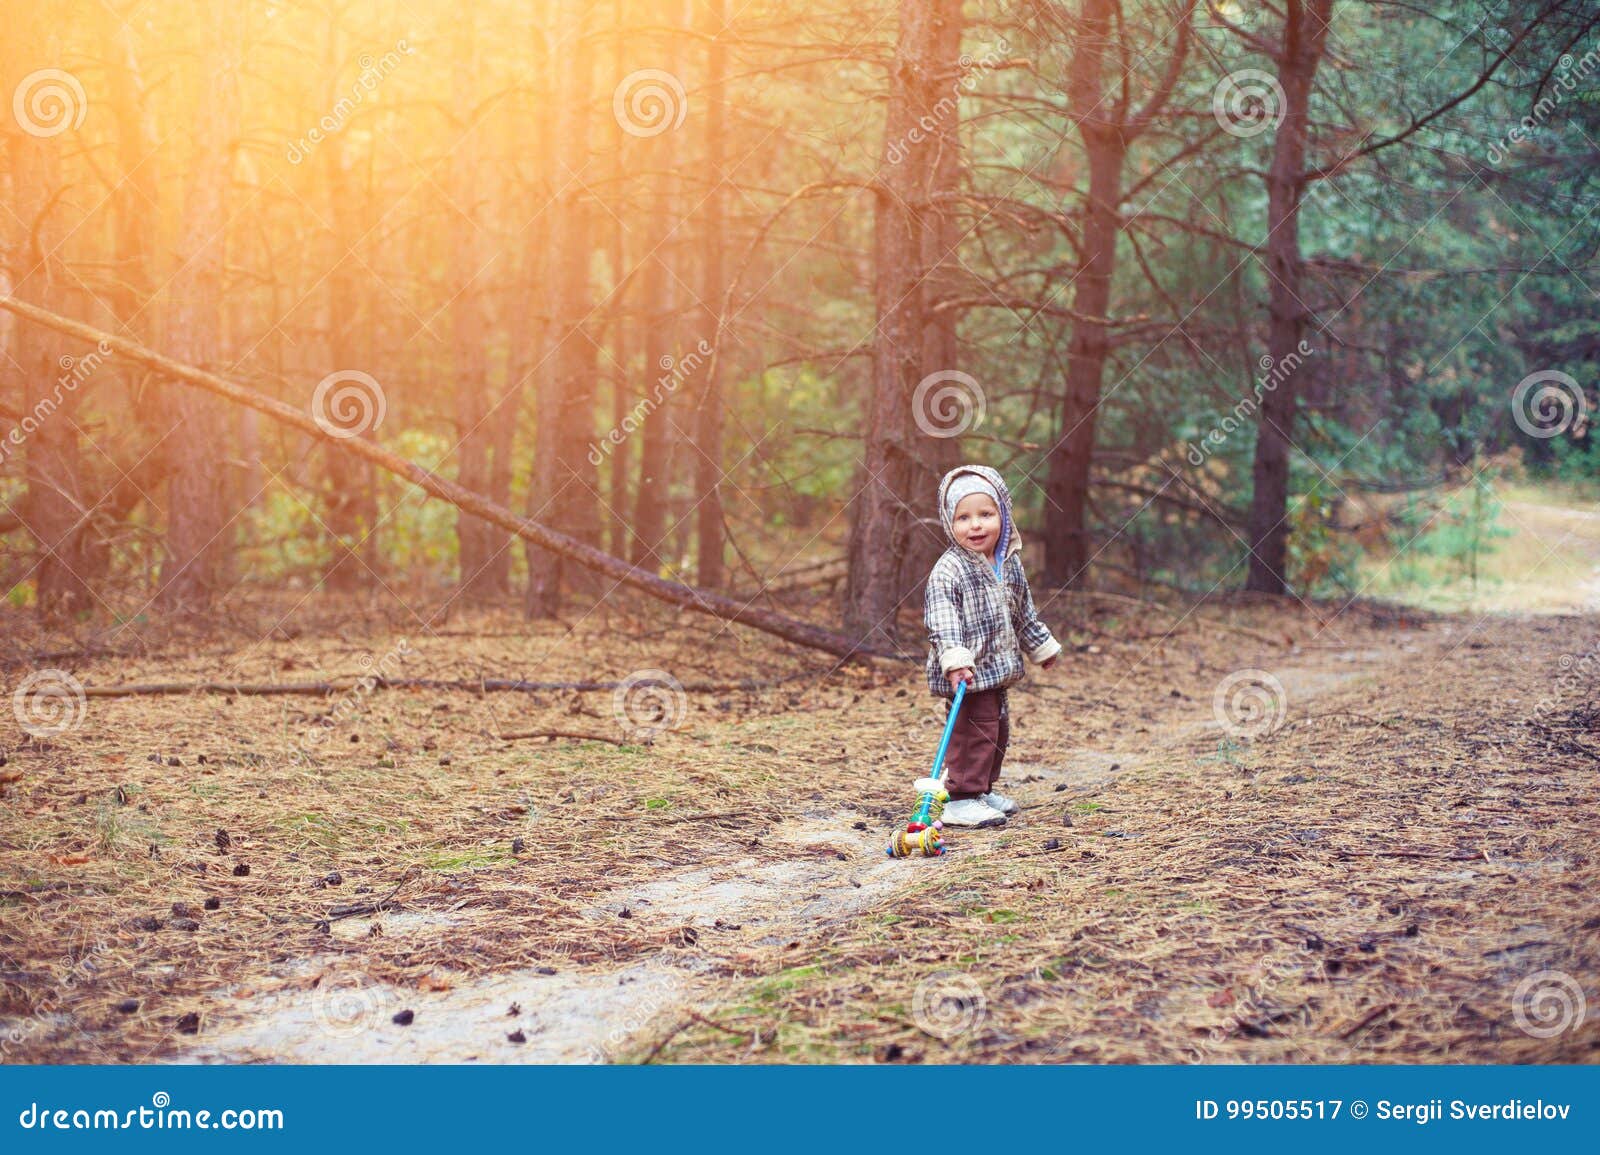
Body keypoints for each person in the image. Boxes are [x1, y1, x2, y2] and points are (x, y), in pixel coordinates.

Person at [923, 464, 1061, 828]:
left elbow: (1023, 612)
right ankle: (959, 797)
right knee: (972, 731)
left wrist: (1041, 646)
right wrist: (954, 660)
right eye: (964, 517)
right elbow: (942, 620)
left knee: (996, 730)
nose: (976, 525)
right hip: (966, 672)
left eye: (986, 514)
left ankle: (980, 788)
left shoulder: (1008, 563)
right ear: (949, 522)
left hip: (997, 668)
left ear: (1004, 513)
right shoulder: (949, 570)